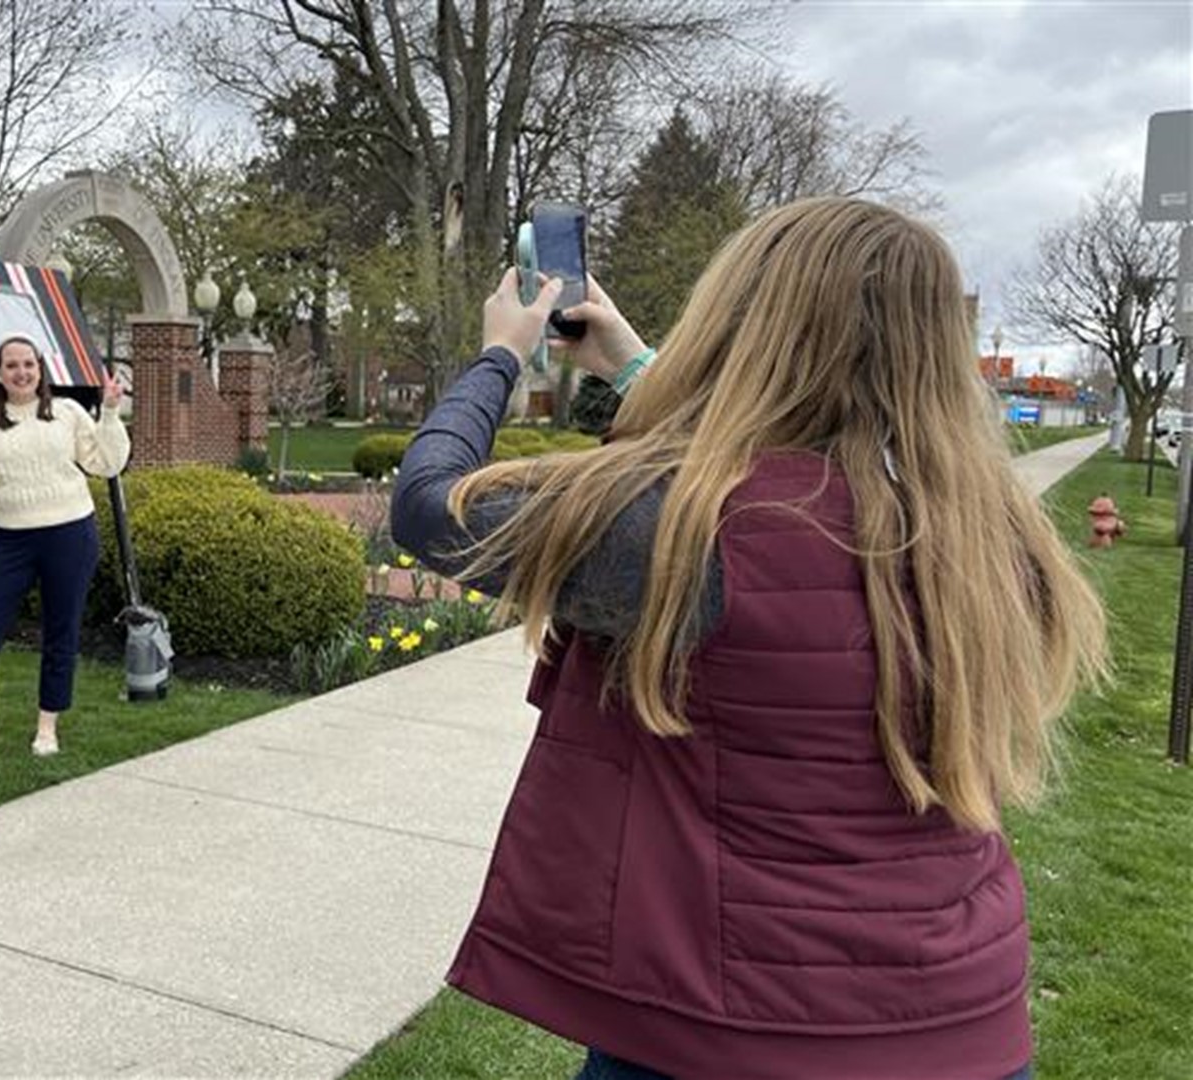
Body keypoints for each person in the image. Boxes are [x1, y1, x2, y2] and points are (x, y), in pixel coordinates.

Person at [390, 198, 1107, 1080]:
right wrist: (629, 359)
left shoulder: (697, 532)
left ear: (744, 330)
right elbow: (776, 449)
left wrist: (502, 351)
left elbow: (433, 507)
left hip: (725, 1035)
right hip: (961, 1026)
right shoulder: (992, 535)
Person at [0, 334, 128, 757]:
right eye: (11, 365)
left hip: (70, 533)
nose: (21, 372)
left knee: (60, 631)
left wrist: (108, 412)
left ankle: (47, 727)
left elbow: (107, 463)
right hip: (9, 539)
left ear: (40, 368)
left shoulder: (67, 413)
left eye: (28, 364)